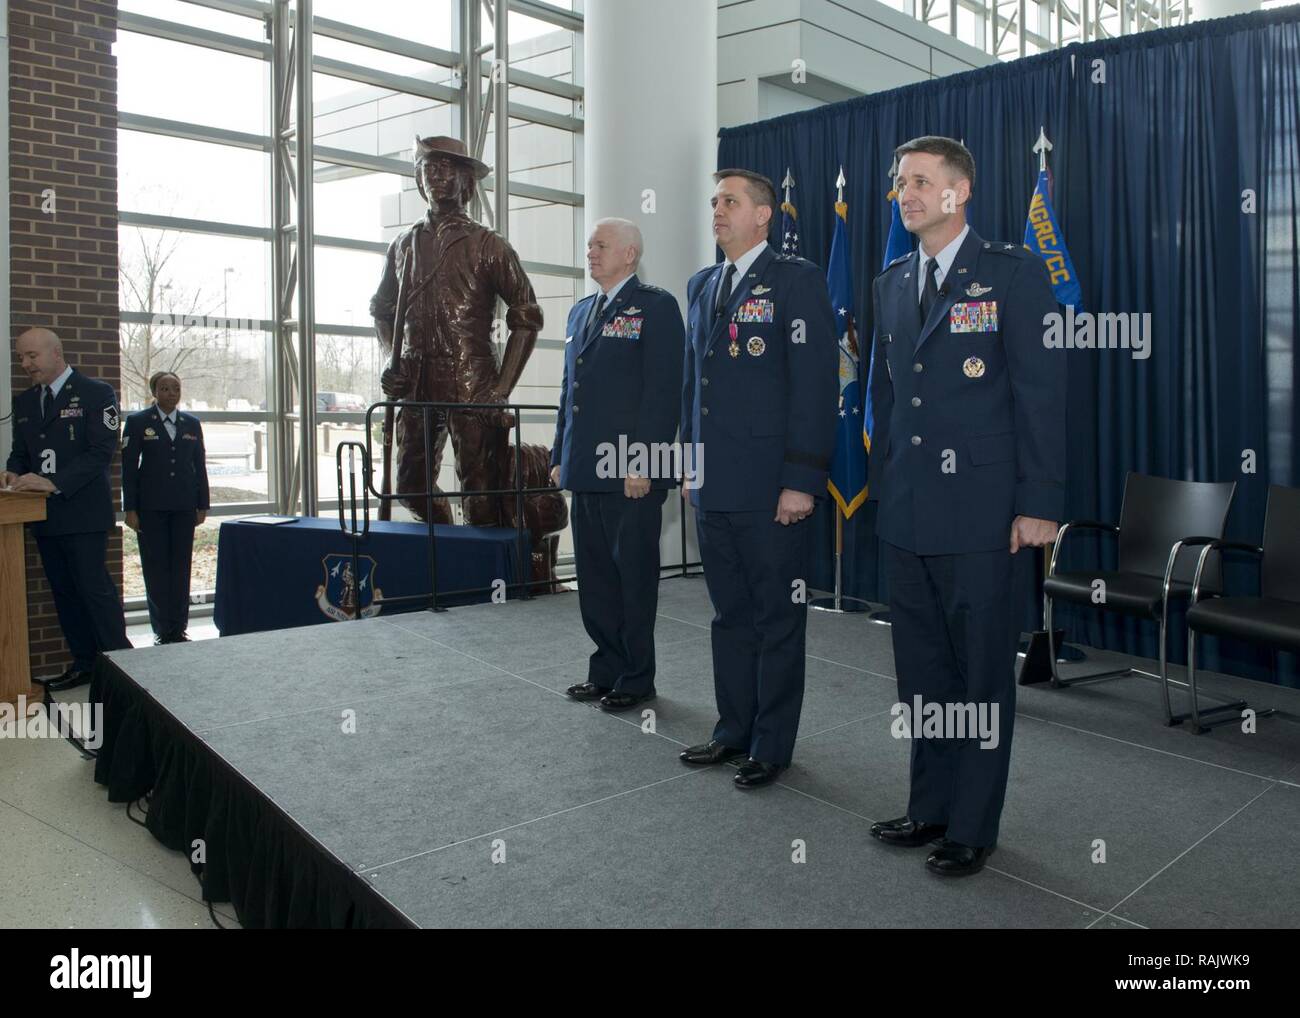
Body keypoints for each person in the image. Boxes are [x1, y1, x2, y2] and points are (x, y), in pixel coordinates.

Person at [866, 136, 1066, 876]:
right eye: (898, 182)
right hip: (909, 511)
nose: (905, 194)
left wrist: (1040, 503)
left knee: (980, 676)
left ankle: (973, 826)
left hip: (984, 513)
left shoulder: (1013, 275)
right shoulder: (891, 281)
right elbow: (889, 400)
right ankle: (930, 807)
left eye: (920, 181)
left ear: (960, 191)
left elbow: (1042, 400)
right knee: (922, 672)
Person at [678, 169, 837, 789]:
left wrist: (801, 481)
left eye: (730, 201)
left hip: (773, 490)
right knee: (729, 617)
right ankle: (732, 730)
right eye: (714, 200)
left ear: (763, 215)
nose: (717, 210)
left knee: (777, 619)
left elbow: (815, 390)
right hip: (712, 485)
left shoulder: (797, 282)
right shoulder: (701, 285)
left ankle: (771, 744)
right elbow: (693, 388)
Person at [370, 135, 543, 525]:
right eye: (429, 168)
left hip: (473, 386)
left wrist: (500, 391)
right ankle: (446, 556)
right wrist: (389, 359)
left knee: (482, 498)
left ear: (466, 180)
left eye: (447, 169)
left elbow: (527, 315)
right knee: (410, 487)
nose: (437, 177)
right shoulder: (404, 245)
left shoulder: (489, 245)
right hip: (416, 384)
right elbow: (382, 309)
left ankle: (482, 581)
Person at [552, 218, 685, 712]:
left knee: (632, 577)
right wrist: (558, 455)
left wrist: (644, 462)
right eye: (589, 245)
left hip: (631, 473)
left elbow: (663, 393)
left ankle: (636, 675)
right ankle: (604, 668)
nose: (591, 252)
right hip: (585, 468)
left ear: (629, 254)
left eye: (601, 245)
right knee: (595, 577)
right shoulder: (581, 312)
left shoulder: (656, 307)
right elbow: (571, 393)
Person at [3, 327, 130, 689]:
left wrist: (55, 482)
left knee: (94, 589)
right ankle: (85, 662)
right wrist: (12, 473)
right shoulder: (26, 402)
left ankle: (123, 669)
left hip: (83, 513)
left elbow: (101, 452)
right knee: (64, 592)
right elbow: (21, 452)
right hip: (43, 517)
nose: (26, 364)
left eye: (32, 356)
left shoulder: (96, 394)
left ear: (56, 353)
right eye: (21, 358)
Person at [122, 371, 210, 644]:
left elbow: (199, 466)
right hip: (151, 508)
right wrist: (131, 508)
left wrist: (202, 504)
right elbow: (128, 469)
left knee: (181, 567)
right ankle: (162, 629)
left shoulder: (191, 424)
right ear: (154, 392)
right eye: (165, 388)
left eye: (176, 388)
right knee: (157, 568)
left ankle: (178, 628)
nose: (171, 393)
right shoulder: (138, 422)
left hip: (184, 507)